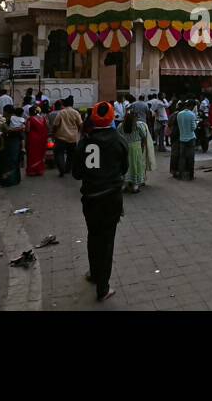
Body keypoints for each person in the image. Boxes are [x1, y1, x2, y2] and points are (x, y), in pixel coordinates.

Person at [73, 102, 127, 302]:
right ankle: (103, 287)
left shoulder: (85, 143)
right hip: (111, 197)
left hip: (90, 198)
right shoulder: (118, 141)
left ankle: (94, 273)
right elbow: (124, 168)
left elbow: (77, 173)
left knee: (93, 235)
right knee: (107, 240)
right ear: (112, 118)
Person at [118, 111, 153, 194]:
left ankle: (125, 183)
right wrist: (143, 147)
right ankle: (135, 185)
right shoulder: (138, 126)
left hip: (125, 147)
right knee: (136, 165)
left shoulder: (120, 126)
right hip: (136, 148)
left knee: (126, 165)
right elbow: (144, 137)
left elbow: (118, 136)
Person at [52, 97, 83, 177]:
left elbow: (55, 125)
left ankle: (62, 169)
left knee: (59, 153)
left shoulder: (61, 112)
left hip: (61, 137)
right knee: (71, 154)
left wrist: (53, 133)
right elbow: (80, 124)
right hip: (72, 137)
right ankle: (68, 169)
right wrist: (77, 132)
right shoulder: (76, 112)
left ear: (65, 104)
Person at [0, 106, 24, 187]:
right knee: (14, 161)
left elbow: (6, 131)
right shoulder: (16, 119)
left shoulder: (10, 119)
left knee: (10, 161)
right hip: (15, 142)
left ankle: (9, 181)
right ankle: (15, 180)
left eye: (4, 111)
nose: (3, 113)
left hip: (12, 142)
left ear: (6, 112)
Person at [175, 99, 198, 180]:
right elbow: (193, 127)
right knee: (191, 158)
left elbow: (179, 126)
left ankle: (181, 175)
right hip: (191, 138)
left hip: (182, 138)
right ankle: (191, 175)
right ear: (191, 106)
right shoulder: (192, 114)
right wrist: (196, 123)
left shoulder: (179, 114)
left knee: (182, 157)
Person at [25, 106, 49, 177]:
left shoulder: (30, 119)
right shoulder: (43, 118)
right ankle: (39, 170)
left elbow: (28, 130)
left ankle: (32, 171)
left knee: (32, 154)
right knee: (40, 154)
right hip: (42, 139)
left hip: (33, 139)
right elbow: (47, 126)